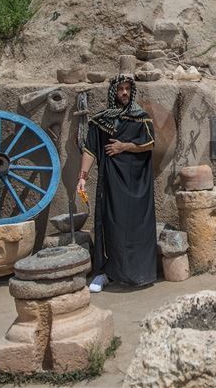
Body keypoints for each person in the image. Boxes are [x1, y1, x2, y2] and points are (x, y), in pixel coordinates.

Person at [77, 74, 156, 292]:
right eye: (120, 89)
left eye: (127, 89)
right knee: (109, 225)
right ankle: (104, 273)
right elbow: (90, 149)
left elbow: (149, 144)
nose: (124, 93)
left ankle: (140, 273)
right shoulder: (100, 120)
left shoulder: (141, 118)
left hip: (136, 185)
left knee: (136, 228)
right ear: (113, 92)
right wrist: (82, 177)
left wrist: (124, 147)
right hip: (110, 183)